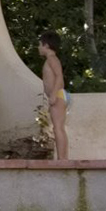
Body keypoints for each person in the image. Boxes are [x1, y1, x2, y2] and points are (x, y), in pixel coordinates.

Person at [39, 31, 70, 160]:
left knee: (58, 128)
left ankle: (63, 159)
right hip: (58, 95)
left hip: (57, 95)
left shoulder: (52, 59)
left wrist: (53, 95)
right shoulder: (51, 60)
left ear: (46, 45)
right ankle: (62, 158)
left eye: (39, 45)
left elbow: (59, 77)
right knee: (58, 128)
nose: (38, 48)